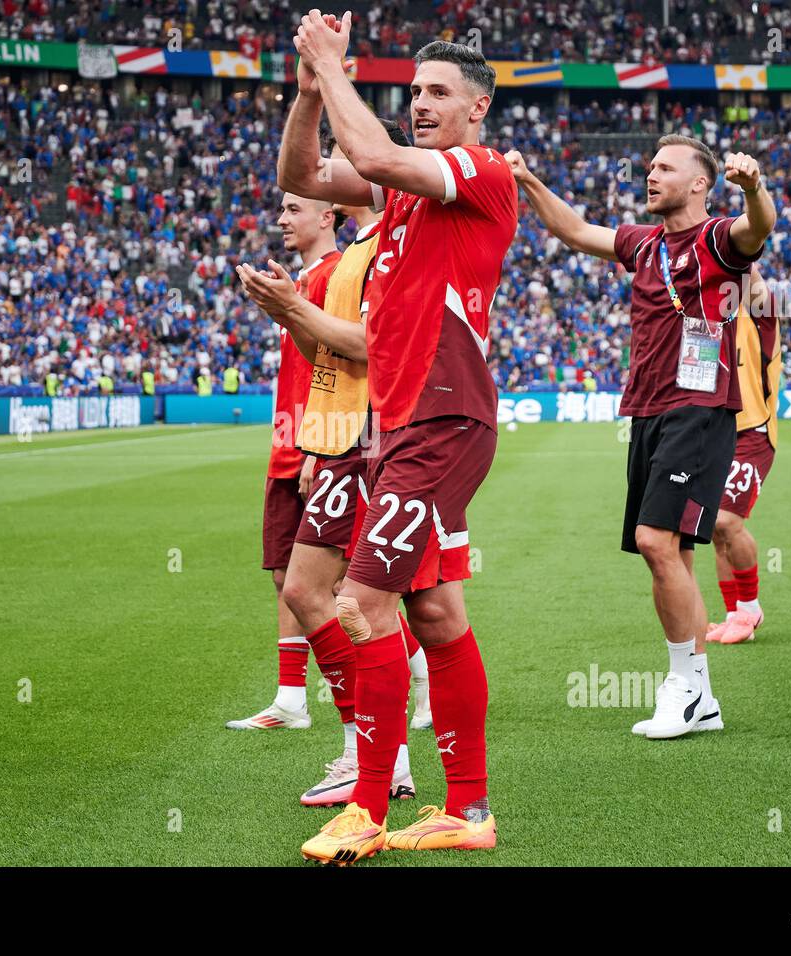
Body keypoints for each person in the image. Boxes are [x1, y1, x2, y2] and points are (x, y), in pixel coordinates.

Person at [280, 19, 516, 862]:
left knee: (360, 606)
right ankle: (469, 811)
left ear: (478, 108)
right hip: (407, 424)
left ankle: (368, 809)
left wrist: (336, 65)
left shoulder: (478, 171)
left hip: (444, 422)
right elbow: (303, 175)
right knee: (438, 613)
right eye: (413, 91)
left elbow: (375, 159)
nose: (420, 103)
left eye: (438, 92)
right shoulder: (408, 194)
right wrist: (310, 95)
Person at [508, 133, 775, 740]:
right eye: (649, 166)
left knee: (655, 540)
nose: (650, 176)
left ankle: (683, 685)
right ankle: (700, 696)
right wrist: (528, 181)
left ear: (701, 183)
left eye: (664, 168)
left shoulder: (718, 236)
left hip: (699, 409)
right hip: (650, 409)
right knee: (672, 554)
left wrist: (755, 188)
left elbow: (758, 229)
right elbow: (576, 232)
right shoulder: (644, 243)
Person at [238, 121, 432, 811]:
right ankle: (373, 748)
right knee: (306, 591)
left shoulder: (395, 240)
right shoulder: (359, 244)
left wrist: (292, 307)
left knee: (369, 603)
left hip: (381, 439)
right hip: (343, 439)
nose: (337, 164)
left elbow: (374, 348)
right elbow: (331, 352)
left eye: (349, 155)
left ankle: (379, 753)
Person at [224, 190, 341, 731]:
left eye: (294, 209)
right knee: (283, 576)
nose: (281, 219)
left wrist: (319, 444)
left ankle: (418, 679)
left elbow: (337, 364)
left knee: (335, 588)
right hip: (288, 444)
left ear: (328, 214)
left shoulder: (339, 274)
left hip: (321, 445)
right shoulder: (298, 282)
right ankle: (291, 699)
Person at [707, 264, 782, 644]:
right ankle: (733, 613)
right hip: (714, 435)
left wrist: (742, 256)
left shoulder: (758, 316)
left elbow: (757, 290)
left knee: (726, 523)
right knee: (715, 532)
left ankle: (750, 607)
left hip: (753, 431)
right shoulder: (704, 316)